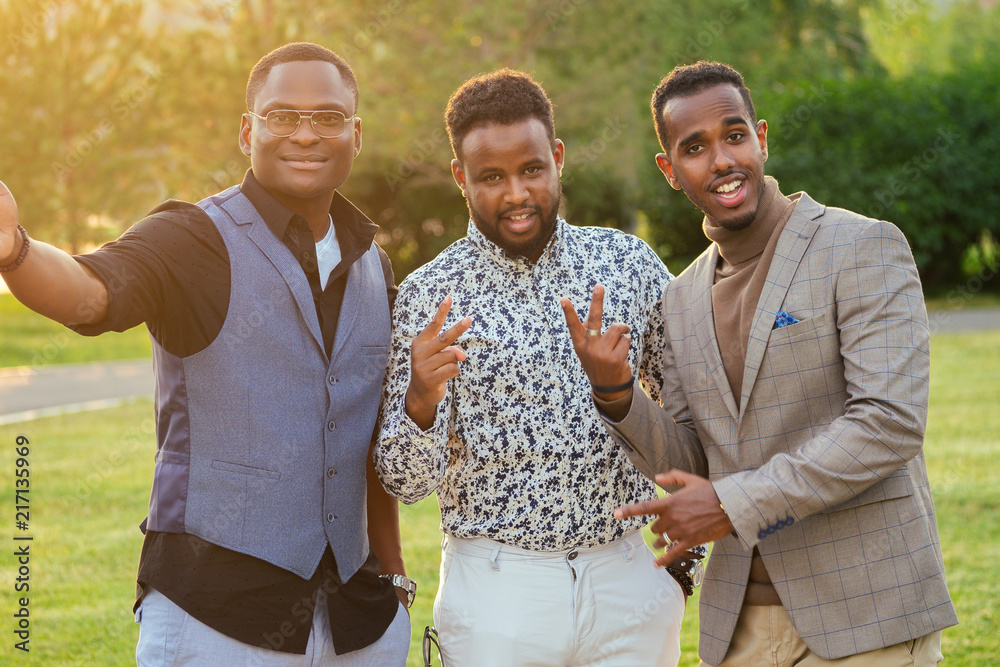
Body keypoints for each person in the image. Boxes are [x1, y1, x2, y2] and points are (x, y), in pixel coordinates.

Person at [0, 42, 412, 665]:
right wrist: (15, 252)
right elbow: (91, 293)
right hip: (214, 618)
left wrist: (396, 576)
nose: (306, 134)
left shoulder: (375, 266)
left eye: (327, 118)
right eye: (282, 116)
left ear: (355, 135)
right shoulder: (191, 237)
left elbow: (368, 434)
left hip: (358, 621)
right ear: (248, 131)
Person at [569, 60, 958, 666]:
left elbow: (888, 423)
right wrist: (618, 393)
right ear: (670, 171)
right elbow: (695, 460)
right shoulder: (679, 300)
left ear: (762, 138)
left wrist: (730, 505)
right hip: (739, 628)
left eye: (734, 134)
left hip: (866, 614)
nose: (721, 160)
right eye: (694, 147)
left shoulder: (861, 246)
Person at [374, 68, 692, 667]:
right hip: (497, 591)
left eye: (532, 169)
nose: (516, 193)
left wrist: (682, 563)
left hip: (627, 579)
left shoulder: (627, 263)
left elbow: (696, 418)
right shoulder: (427, 296)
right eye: (491, 177)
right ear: (459, 177)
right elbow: (405, 485)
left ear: (559, 158)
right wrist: (419, 400)